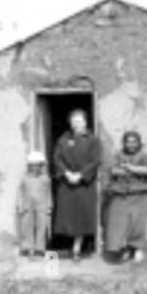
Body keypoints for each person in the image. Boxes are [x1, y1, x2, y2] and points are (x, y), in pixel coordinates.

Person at [52, 109, 101, 262]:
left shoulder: (93, 140)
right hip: (67, 183)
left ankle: (77, 248)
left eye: (79, 121)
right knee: (67, 215)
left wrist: (80, 175)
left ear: (86, 122)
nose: (76, 124)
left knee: (81, 215)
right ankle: (65, 245)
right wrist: (66, 174)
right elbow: (56, 158)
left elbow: (95, 161)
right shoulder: (64, 138)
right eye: (73, 121)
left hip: (84, 184)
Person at [104, 130, 147, 262]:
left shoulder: (144, 156)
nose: (131, 144)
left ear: (138, 143)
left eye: (134, 142)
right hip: (121, 193)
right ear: (124, 143)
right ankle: (123, 249)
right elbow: (113, 170)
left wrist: (129, 168)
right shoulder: (118, 155)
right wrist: (133, 170)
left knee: (138, 224)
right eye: (128, 141)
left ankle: (137, 249)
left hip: (139, 194)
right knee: (119, 224)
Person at [15, 151, 52, 256]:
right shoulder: (24, 178)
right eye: (34, 165)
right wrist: (20, 205)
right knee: (27, 225)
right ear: (30, 166)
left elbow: (48, 193)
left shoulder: (45, 178)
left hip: (41, 204)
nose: (37, 168)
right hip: (27, 204)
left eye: (39, 165)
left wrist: (49, 206)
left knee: (41, 225)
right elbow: (20, 192)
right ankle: (27, 246)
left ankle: (40, 248)